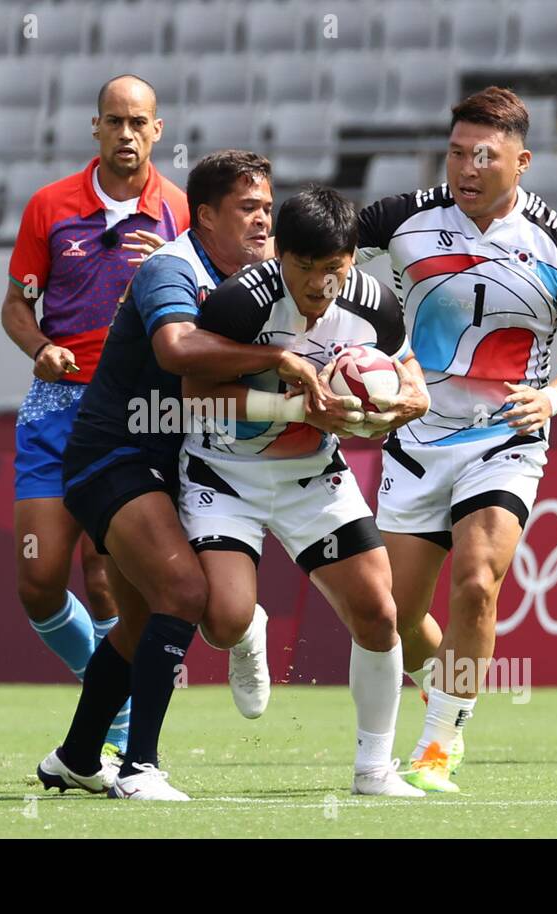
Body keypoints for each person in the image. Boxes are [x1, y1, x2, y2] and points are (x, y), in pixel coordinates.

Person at [36, 150, 337, 800]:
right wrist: (280, 357)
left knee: (141, 623)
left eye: (267, 206)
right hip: (113, 454)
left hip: (174, 464)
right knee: (181, 589)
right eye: (248, 208)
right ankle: (139, 767)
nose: (265, 220)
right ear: (205, 215)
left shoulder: (264, 277)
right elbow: (176, 348)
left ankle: (77, 755)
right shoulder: (170, 266)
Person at [356, 87, 557, 792]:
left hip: (506, 438)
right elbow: (317, 253)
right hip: (414, 436)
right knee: (393, 614)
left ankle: (439, 744)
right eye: (456, 152)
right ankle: (452, 692)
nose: (465, 169)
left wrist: (555, 395)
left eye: (485, 156)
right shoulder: (403, 217)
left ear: (521, 161)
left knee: (476, 584)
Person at [179, 185, 430, 796]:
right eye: (305, 268)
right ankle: (248, 631)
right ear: (278, 255)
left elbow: (407, 369)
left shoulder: (375, 303)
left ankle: (374, 769)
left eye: (334, 269)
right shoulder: (239, 303)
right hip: (225, 472)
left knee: (379, 611)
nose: (320, 285)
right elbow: (193, 396)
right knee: (222, 617)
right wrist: (296, 410)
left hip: (312, 475)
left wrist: (414, 398)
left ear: (352, 259)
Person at [2, 75, 188, 759]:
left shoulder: (181, 212)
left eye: (139, 122)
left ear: (158, 130)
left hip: (138, 411)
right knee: (38, 579)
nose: (127, 134)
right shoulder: (49, 207)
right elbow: (16, 306)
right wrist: (39, 345)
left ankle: (111, 718)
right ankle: (108, 688)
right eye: (114, 121)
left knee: (114, 577)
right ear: (96, 128)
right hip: (59, 403)